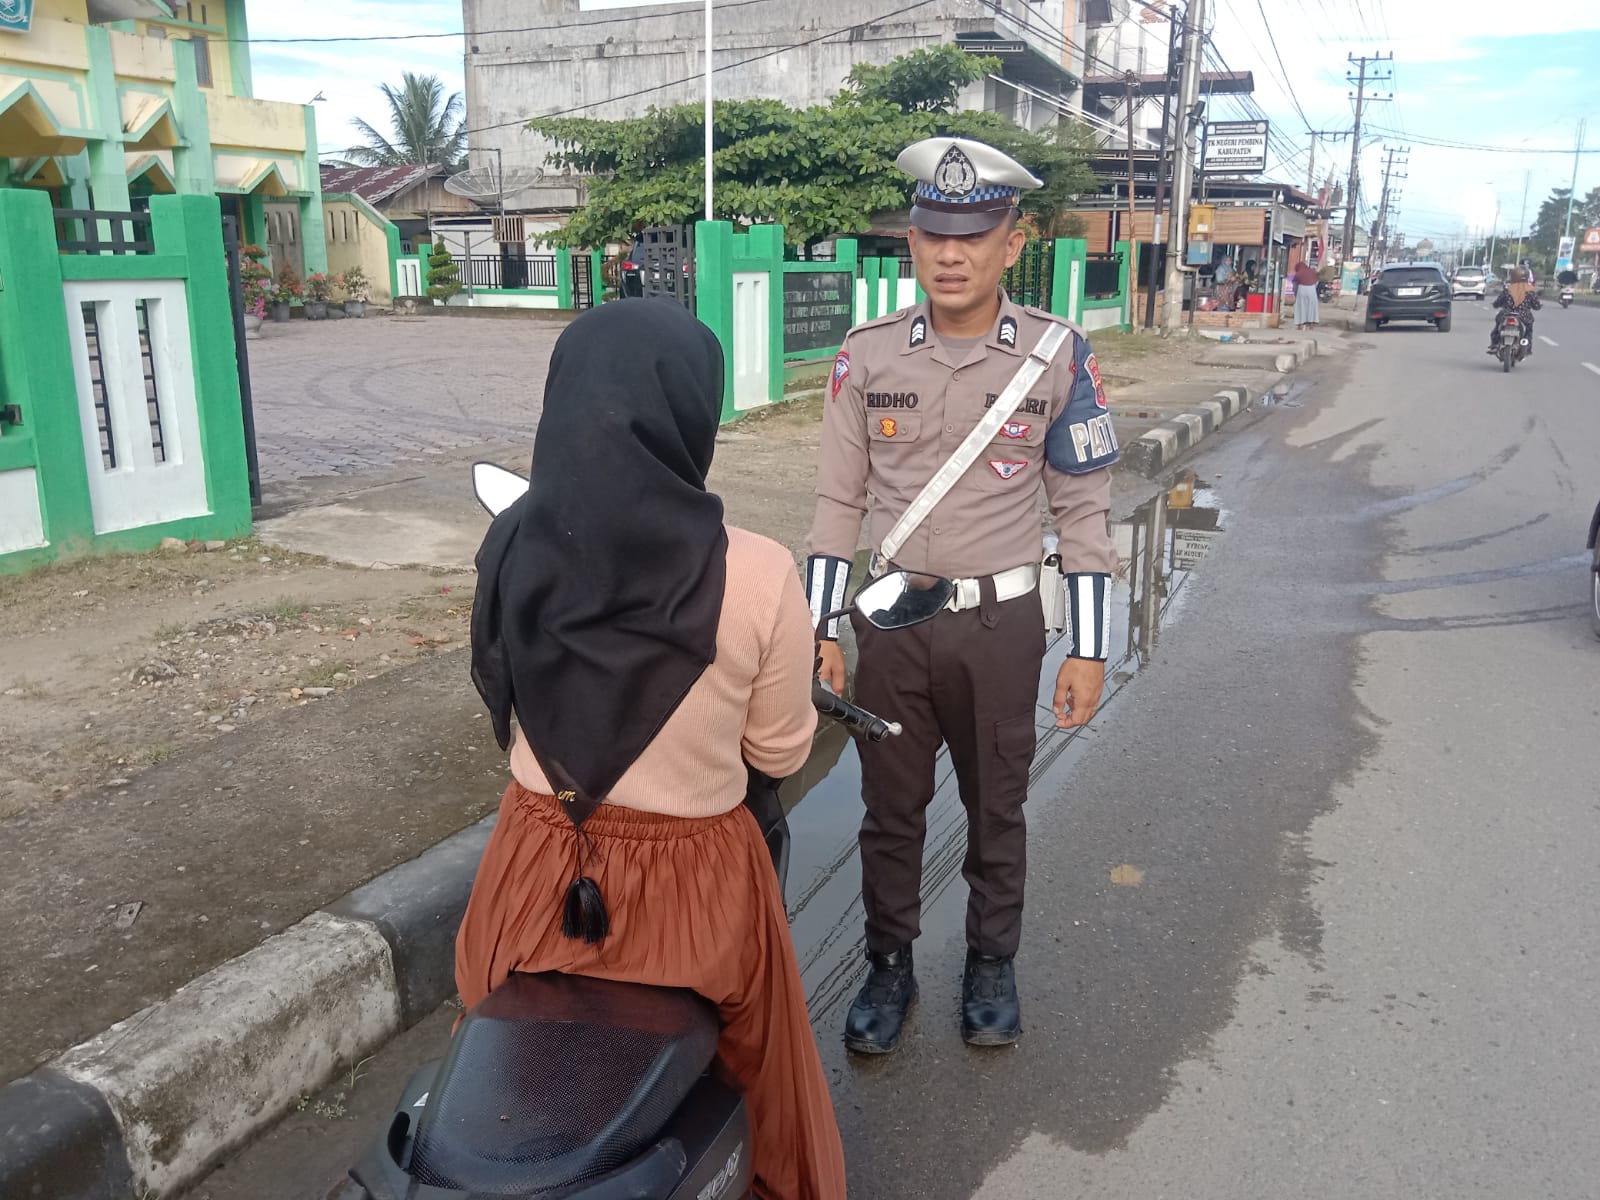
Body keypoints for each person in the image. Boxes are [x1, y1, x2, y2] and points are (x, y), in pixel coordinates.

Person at [458, 301, 847, 1200]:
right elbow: (781, 753)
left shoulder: (510, 541)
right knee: (763, 1071)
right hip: (695, 887)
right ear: (691, 416)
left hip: (531, 870)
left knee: (494, 1058)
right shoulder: (754, 571)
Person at [806, 136, 1117, 1054]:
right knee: (890, 809)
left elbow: (1086, 514)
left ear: (1011, 243)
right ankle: (887, 967)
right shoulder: (864, 358)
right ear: (912, 238)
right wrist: (824, 626)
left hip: (1002, 625)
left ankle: (991, 963)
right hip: (891, 627)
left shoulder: (1059, 359)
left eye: (974, 234)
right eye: (935, 232)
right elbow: (837, 502)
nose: (952, 253)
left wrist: (1091, 649)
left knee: (998, 806)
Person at [1490, 265, 1541, 356]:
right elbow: (1536, 305)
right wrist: (1538, 306)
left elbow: (1499, 301)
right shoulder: (1531, 290)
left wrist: (1495, 305)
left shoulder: (1508, 289)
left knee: (1497, 329)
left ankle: (1494, 345)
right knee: (1528, 331)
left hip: (1506, 314)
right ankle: (1527, 347)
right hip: (1524, 316)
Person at [1293, 257, 1321, 330]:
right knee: (1312, 307)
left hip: (1301, 289)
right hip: (1312, 289)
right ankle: (1312, 326)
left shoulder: (1298, 273)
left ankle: (1300, 325)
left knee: (1301, 307)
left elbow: (1295, 286)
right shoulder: (1312, 271)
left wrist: (1296, 294)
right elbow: (1316, 282)